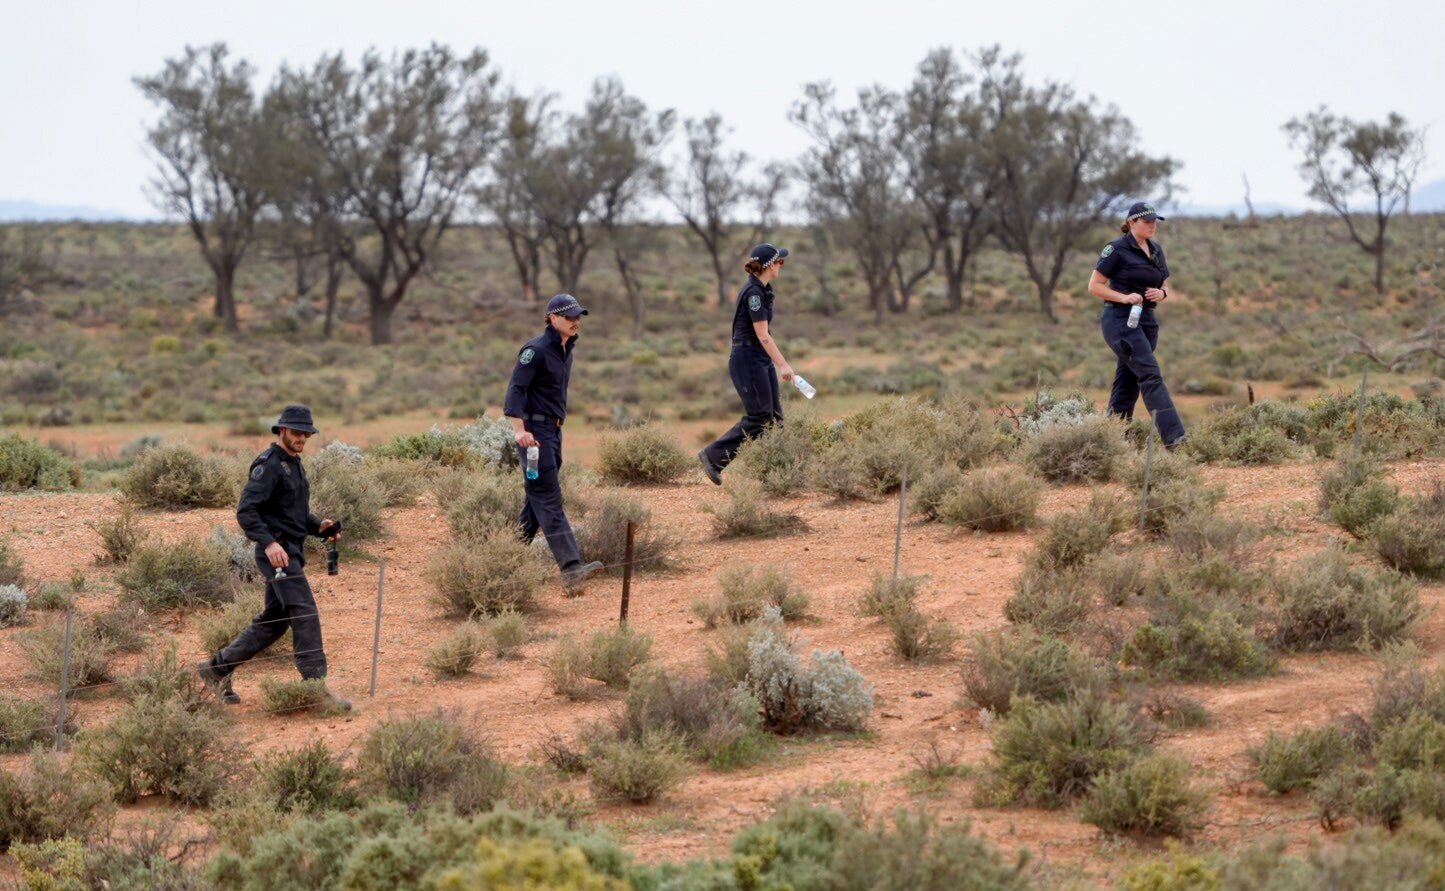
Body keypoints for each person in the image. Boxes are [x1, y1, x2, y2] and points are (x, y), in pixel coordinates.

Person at [197, 405, 349, 710]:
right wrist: (268, 544)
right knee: (304, 611)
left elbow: (293, 515)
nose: (302, 438)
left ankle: (216, 670)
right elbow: (246, 511)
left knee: (275, 621)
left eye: (306, 433)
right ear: (281, 431)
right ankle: (314, 687)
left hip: (290, 551)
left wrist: (319, 526)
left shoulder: (293, 464)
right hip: (277, 555)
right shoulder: (268, 466)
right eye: (296, 432)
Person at [505, 294, 605, 594]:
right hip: (534, 434)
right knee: (548, 495)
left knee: (536, 499)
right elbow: (515, 391)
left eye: (578, 316)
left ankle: (506, 559)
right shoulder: (534, 351)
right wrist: (519, 431)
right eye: (570, 316)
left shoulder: (565, 349)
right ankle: (571, 567)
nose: (576, 321)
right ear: (552, 318)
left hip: (553, 433)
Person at [1087, 202, 1188, 449]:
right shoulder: (1116, 249)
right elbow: (1094, 286)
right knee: (1150, 375)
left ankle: (1112, 441)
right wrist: (1124, 297)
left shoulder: (1155, 250)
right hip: (1120, 321)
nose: (1152, 225)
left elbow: (1165, 285)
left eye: (1155, 221)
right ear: (1132, 223)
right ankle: (1176, 439)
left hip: (1146, 321)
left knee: (1128, 382)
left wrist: (1162, 294)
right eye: (1147, 221)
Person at [699, 243, 798, 483]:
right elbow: (763, 335)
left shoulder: (763, 289)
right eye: (779, 262)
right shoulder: (754, 294)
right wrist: (784, 365)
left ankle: (776, 472)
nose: (781, 266)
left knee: (775, 419)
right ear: (768, 266)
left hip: (759, 358)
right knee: (760, 417)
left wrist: (774, 361)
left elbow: (764, 338)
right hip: (747, 360)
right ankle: (713, 456)